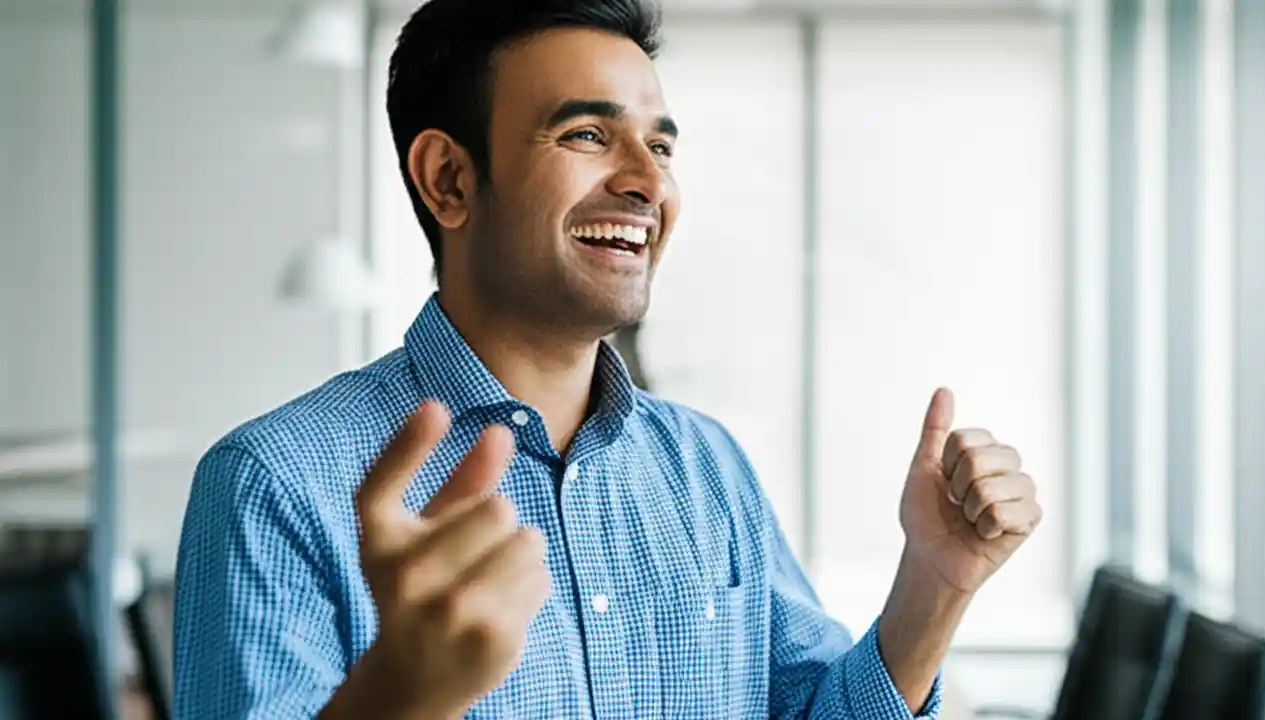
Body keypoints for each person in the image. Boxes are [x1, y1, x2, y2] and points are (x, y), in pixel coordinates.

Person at [172, 0, 1043, 717]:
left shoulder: (707, 466)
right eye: (587, 134)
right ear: (449, 179)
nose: (648, 183)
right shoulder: (275, 483)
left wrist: (935, 585)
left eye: (660, 147)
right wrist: (398, 698)